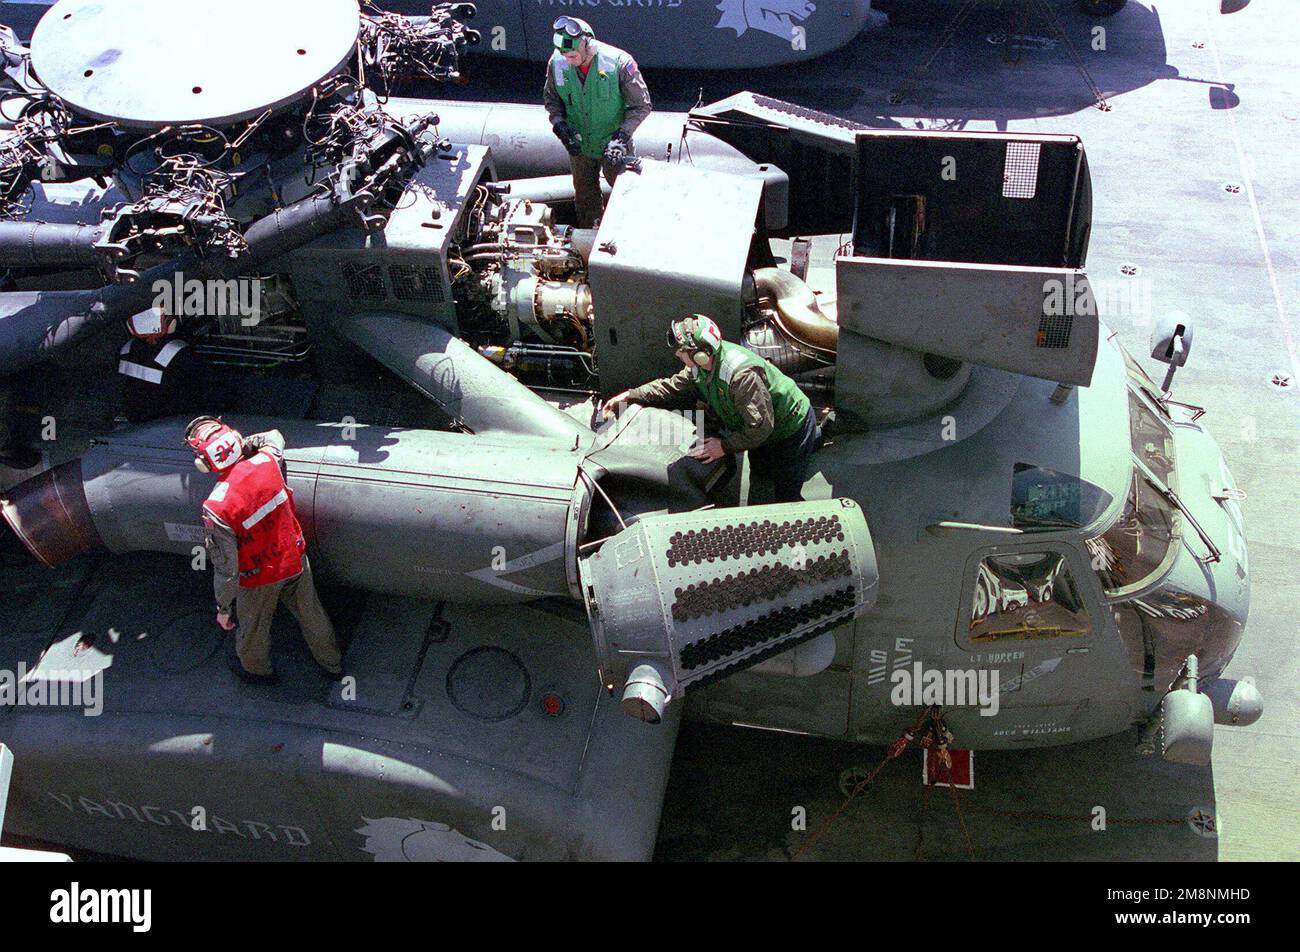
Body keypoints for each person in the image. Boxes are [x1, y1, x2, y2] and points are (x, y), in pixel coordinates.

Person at [186, 416, 343, 684]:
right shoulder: (268, 461)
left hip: (259, 578)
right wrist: (242, 444)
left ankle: (257, 671)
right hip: (294, 558)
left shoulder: (216, 506)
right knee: (311, 614)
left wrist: (223, 608)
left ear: (204, 462)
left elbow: (226, 568)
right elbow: (274, 436)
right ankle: (333, 664)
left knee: (253, 630)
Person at [602, 315, 821, 503]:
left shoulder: (741, 377)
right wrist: (631, 394)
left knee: (786, 490)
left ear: (701, 354)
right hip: (763, 427)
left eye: (682, 350)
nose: (677, 354)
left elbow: (760, 428)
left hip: (791, 427)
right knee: (762, 471)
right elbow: (671, 386)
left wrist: (724, 447)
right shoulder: (701, 368)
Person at [543, 15, 652, 228]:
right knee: (584, 198)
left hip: (613, 146)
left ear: (588, 45)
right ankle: (589, 238)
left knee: (626, 195)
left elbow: (642, 105)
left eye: (572, 55)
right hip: (579, 146)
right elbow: (551, 99)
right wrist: (559, 125)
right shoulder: (557, 63)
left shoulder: (619, 63)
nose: (568, 60)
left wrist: (621, 138)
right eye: (564, 55)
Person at [118, 306, 206, 423]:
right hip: (166, 419)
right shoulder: (177, 350)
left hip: (133, 414)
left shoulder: (126, 349)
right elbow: (197, 387)